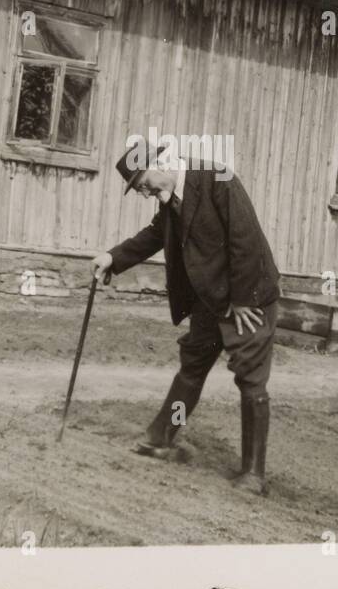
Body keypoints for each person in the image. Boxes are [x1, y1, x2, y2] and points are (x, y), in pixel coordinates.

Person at [92, 142, 280, 495]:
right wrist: (113, 258)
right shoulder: (170, 202)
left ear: (162, 162)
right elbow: (153, 237)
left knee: (250, 377)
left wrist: (241, 300)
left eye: (142, 181)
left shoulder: (217, 180)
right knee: (192, 367)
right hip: (209, 302)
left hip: (249, 299)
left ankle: (253, 474)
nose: (142, 190)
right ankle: (160, 438)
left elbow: (247, 241)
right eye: (136, 186)